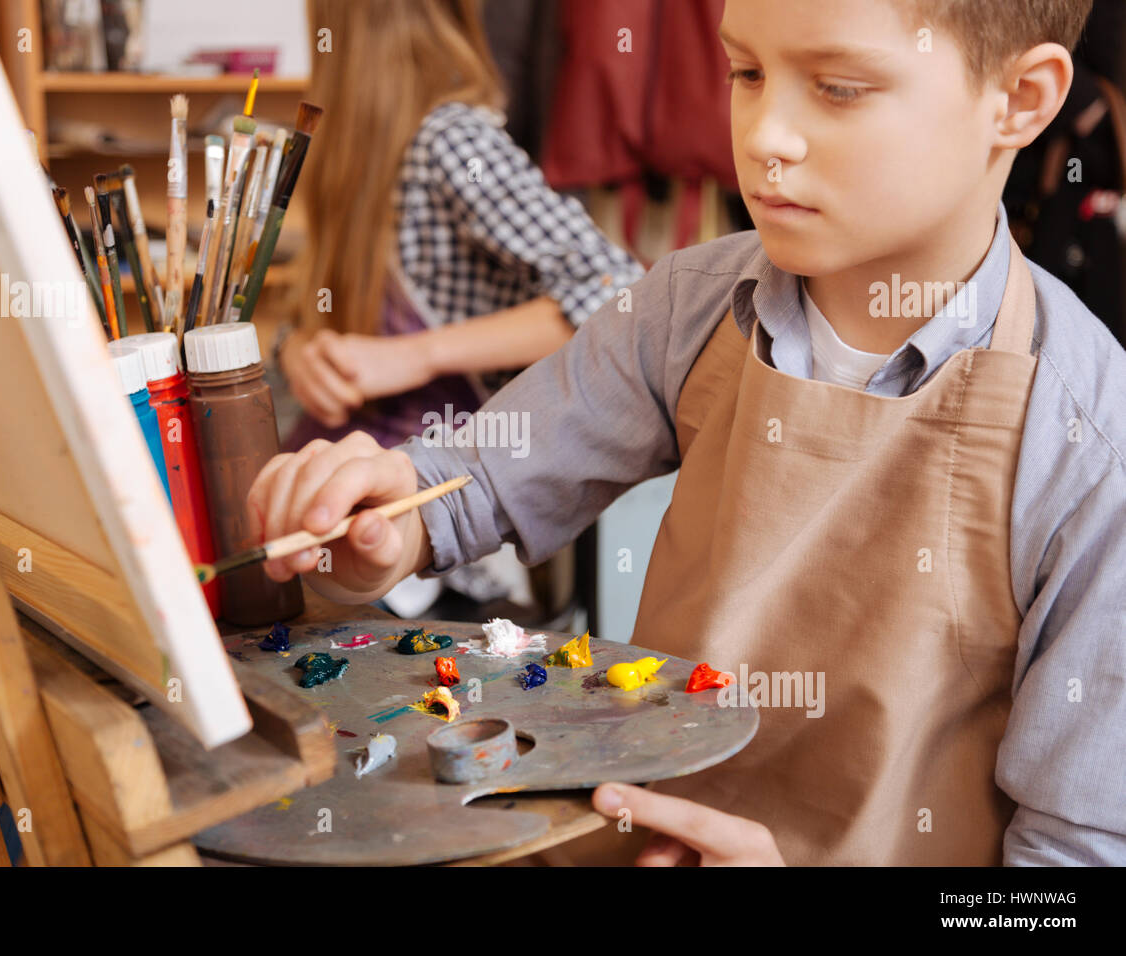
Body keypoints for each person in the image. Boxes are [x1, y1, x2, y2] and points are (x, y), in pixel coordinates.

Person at [248, 0, 1126, 865]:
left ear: (1019, 100)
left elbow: (1070, 865)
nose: (764, 135)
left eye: (840, 87)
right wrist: (388, 522)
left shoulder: (1088, 436)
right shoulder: (686, 304)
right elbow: (474, 482)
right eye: (746, 71)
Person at [277, 0, 642, 452]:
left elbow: (620, 291)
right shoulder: (342, 157)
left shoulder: (451, 141)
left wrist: (418, 355)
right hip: (354, 447)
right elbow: (304, 309)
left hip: (450, 474)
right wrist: (298, 355)